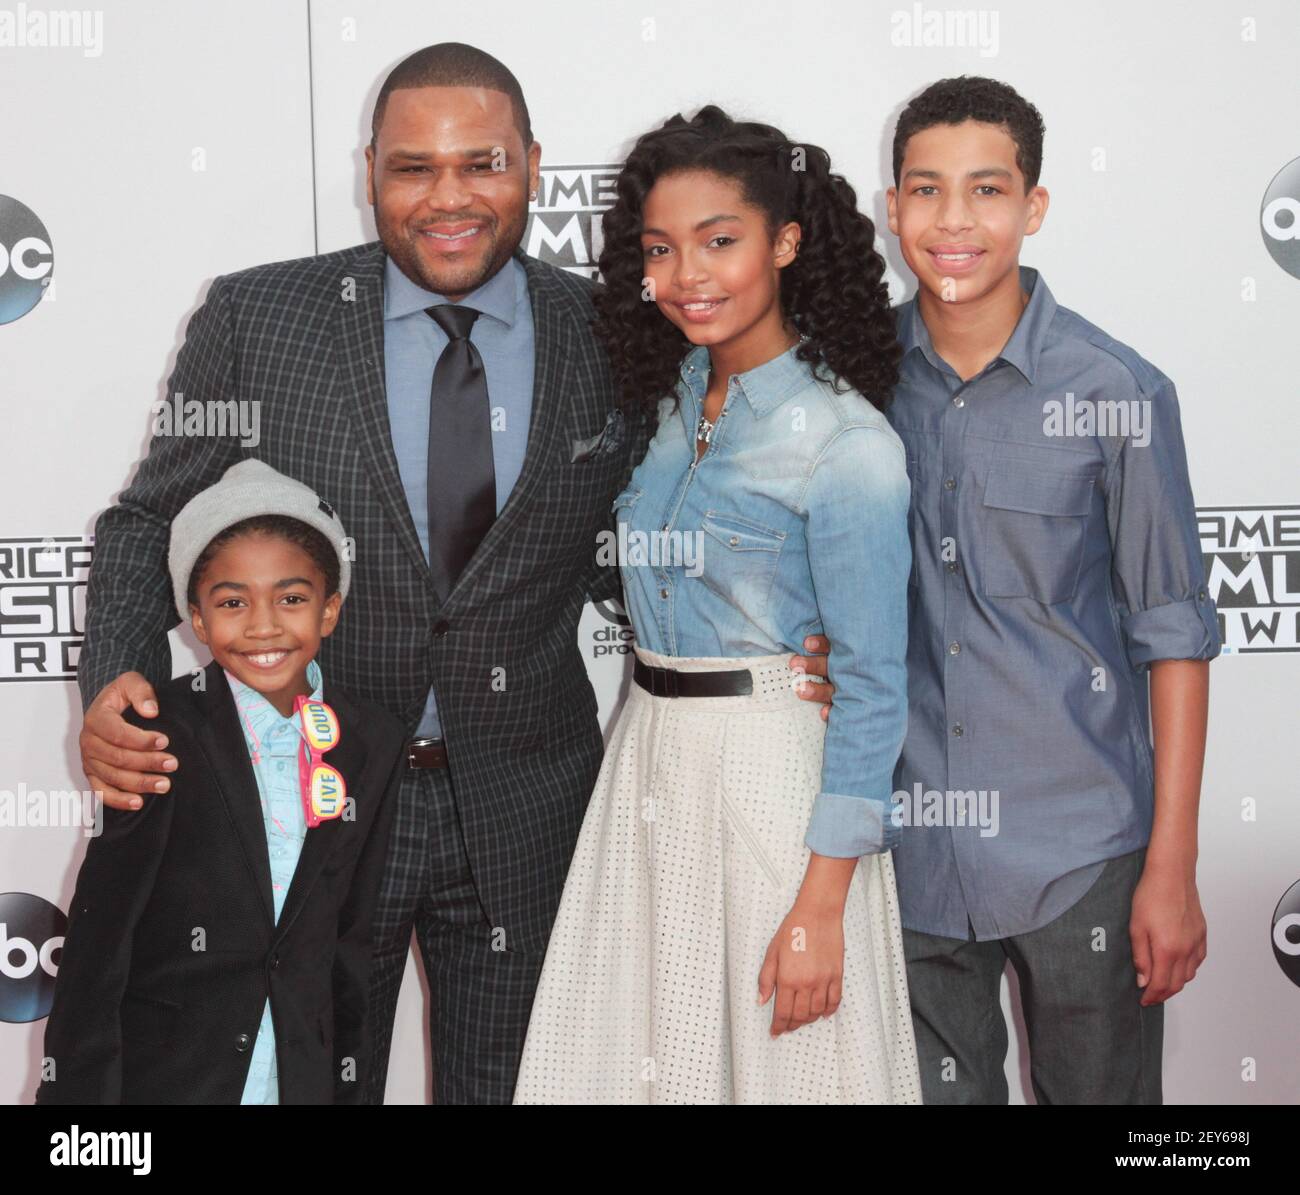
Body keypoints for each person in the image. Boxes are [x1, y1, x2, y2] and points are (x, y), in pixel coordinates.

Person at [72, 43, 833, 1104]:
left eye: (482, 163)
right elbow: (146, 519)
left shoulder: (618, 329)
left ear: (531, 162)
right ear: (367, 170)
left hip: (532, 808)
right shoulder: (261, 321)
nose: (449, 198)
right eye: (411, 168)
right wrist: (113, 673)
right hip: (313, 802)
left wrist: (782, 641)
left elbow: (639, 548)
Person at [514, 106, 921, 1104]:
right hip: (646, 764)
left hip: (777, 784)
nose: (686, 275)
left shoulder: (847, 443)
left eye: (719, 241)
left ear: (784, 244)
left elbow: (871, 688)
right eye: (660, 249)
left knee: (787, 1068)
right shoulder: (657, 403)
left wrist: (822, 902)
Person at [882, 76, 1220, 1104]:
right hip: (908, 853)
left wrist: (1170, 867)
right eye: (925, 190)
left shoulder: (1115, 392)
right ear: (891, 206)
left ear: (1031, 207)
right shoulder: (852, 380)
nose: (953, 222)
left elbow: (1174, 635)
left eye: (985, 191)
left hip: (1084, 852)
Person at [36, 460, 406, 1104]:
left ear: (329, 609)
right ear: (198, 621)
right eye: (233, 602)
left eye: (291, 599)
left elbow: (351, 943)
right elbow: (101, 947)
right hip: (171, 1080)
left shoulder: (371, 740)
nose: (263, 626)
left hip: (296, 1077)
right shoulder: (154, 737)